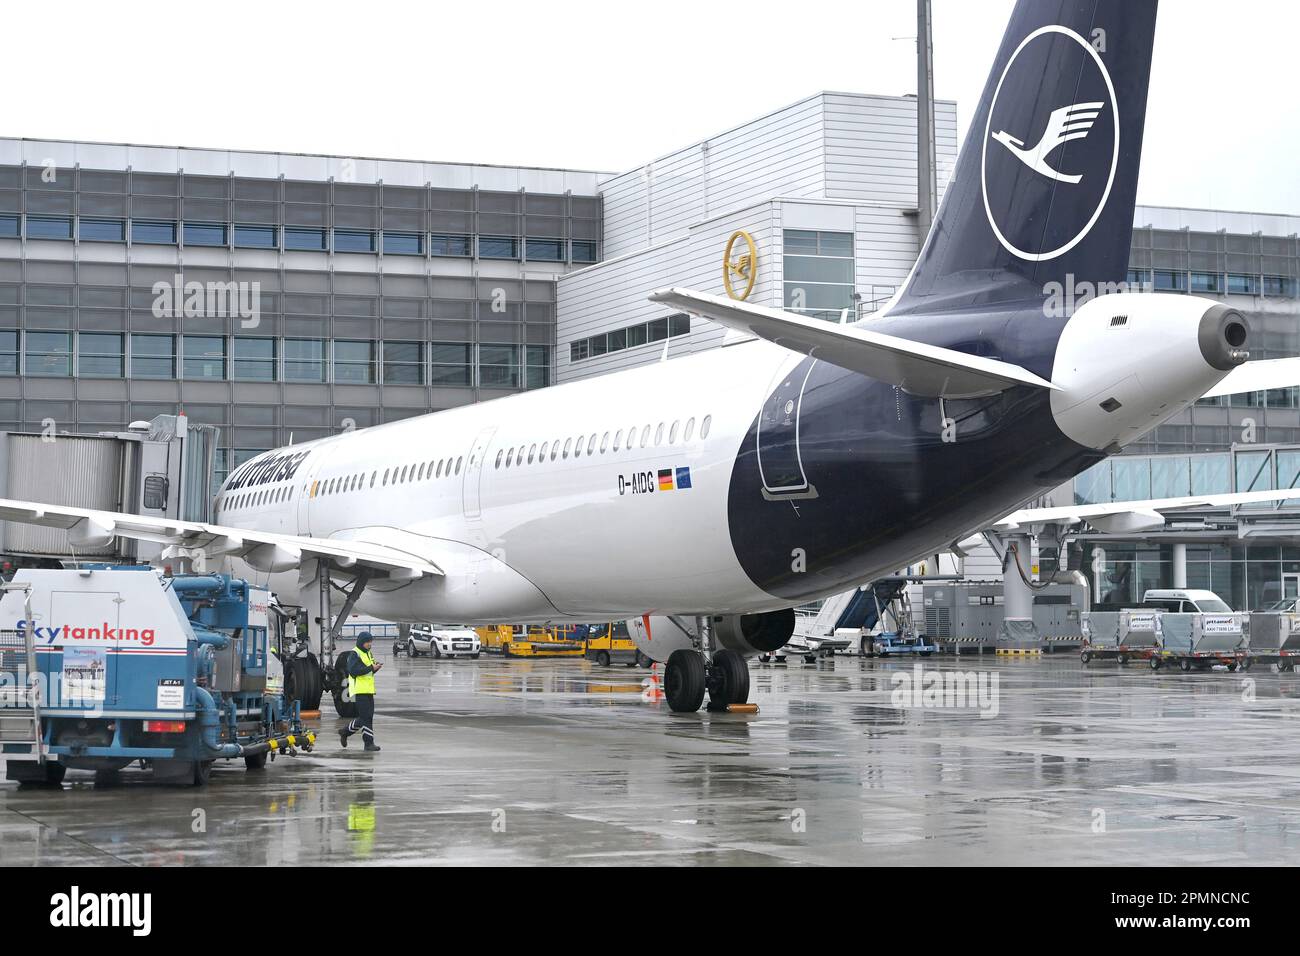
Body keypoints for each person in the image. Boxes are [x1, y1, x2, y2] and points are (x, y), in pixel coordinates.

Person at [340, 632, 383, 752]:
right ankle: (368, 744)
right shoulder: (355, 654)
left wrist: (375, 668)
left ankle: (345, 731)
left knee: (366, 717)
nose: (370, 644)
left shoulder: (368, 653)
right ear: (361, 642)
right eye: (367, 642)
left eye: (370, 642)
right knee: (366, 718)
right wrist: (371, 668)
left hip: (368, 690)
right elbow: (353, 671)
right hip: (359, 690)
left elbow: (368, 672)